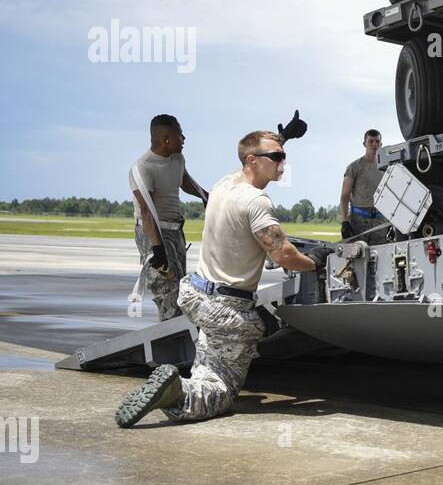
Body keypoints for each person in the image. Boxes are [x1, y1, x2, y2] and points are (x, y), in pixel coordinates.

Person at [116, 129, 331, 428]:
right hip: (228, 309)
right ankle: (177, 394)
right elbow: (283, 255)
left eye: (283, 155)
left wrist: (282, 137)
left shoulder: (223, 184)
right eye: (277, 157)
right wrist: (315, 262)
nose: (283, 162)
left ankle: (187, 382)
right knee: (221, 391)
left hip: (198, 295)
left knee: (209, 367)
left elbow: (251, 149)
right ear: (253, 161)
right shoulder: (257, 202)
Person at [128, 114, 207, 320]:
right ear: (166, 139)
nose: (184, 138)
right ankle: (170, 342)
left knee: (180, 288)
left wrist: (205, 195)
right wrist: (157, 250)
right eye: (179, 135)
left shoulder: (177, 158)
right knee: (168, 291)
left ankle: (178, 335)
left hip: (175, 231)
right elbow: (146, 211)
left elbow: (184, 180)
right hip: (153, 233)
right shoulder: (143, 168)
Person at [340, 128, 385, 239]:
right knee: (359, 254)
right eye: (370, 141)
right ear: (364, 144)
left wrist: (392, 223)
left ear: (381, 144)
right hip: (359, 222)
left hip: (380, 222)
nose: (374, 144)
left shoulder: (386, 168)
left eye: (377, 141)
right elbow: (345, 196)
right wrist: (345, 221)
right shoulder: (354, 167)